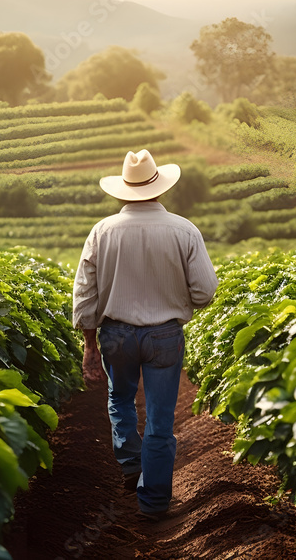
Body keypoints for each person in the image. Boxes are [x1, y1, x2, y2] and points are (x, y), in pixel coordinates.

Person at [72, 149, 218, 521]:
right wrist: (172, 297)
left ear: (122, 191)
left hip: (115, 334)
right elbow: (205, 292)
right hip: (164, 336)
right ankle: (153, 502)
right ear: (159, 188)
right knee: (159, 418)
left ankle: (131, 465)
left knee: (119, 398)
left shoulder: (101, 231)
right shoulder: (183, 229)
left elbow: (85, 294)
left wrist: (89, 345)